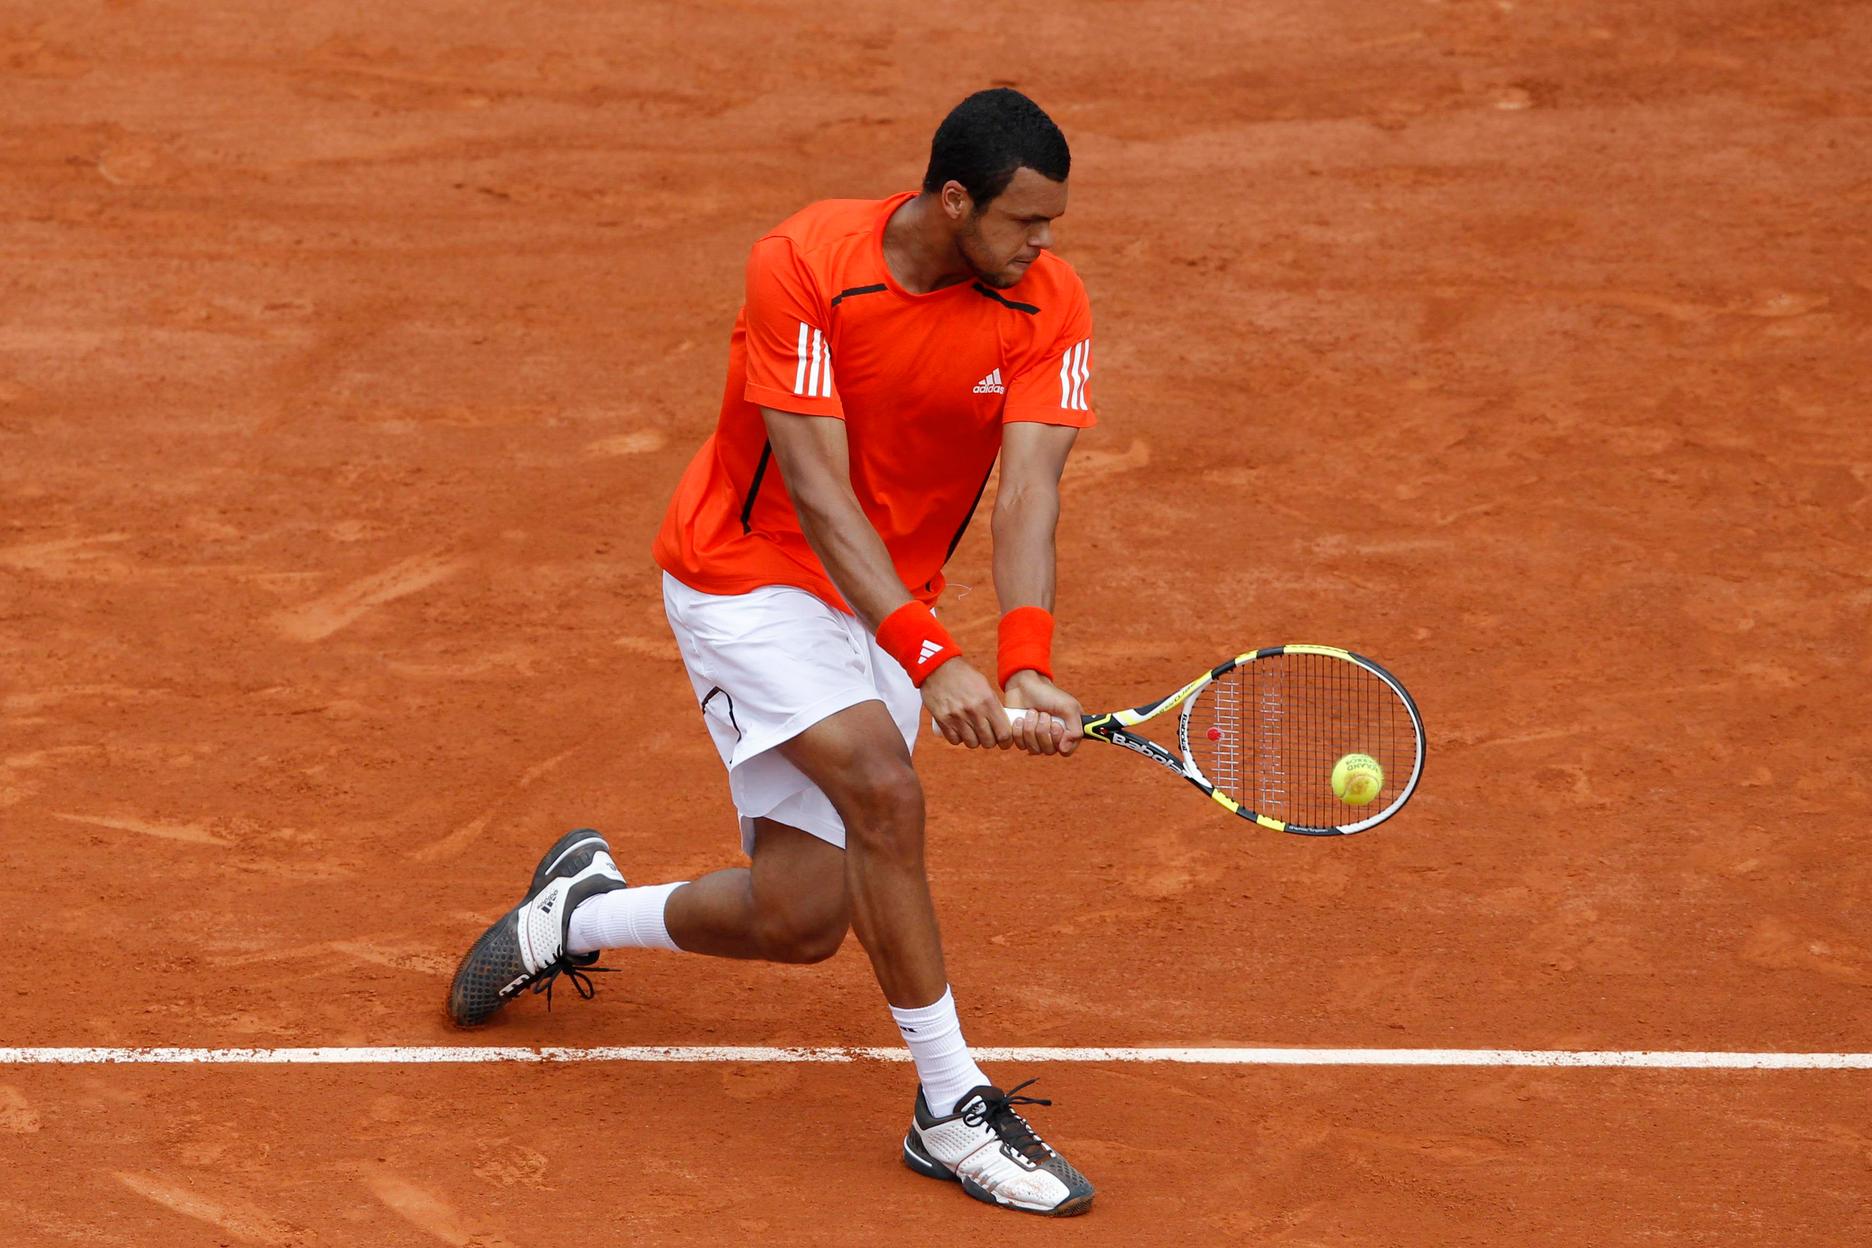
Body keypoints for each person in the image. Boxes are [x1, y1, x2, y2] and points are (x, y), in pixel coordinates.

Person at [448, 88, 1099, 1217]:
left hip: (887, 599)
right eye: (1024, 223)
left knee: (799, 921)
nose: (1044, 246)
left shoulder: (1049, 301)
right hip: (746, 576)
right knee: (886, 796)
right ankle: (950, 1110)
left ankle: (573, 913)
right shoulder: (803, 261)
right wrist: (935, 656)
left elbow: (1029, 491)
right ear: (954, 201)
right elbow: (815, 489)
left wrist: (1027, 654)